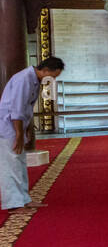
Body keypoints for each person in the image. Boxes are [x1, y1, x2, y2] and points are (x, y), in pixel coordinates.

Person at [0, 57, 64, 211]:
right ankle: (13, 203)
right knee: (11, 165)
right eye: (53, 76)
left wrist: (26, 129)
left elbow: (26, 109)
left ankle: (24, 199)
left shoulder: (33, 79)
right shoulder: (24, 79)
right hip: (8, 126)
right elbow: (16, 110)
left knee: (20, 164)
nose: (52, 79)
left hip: (16, 126)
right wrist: (19, 134)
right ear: (46, 70)